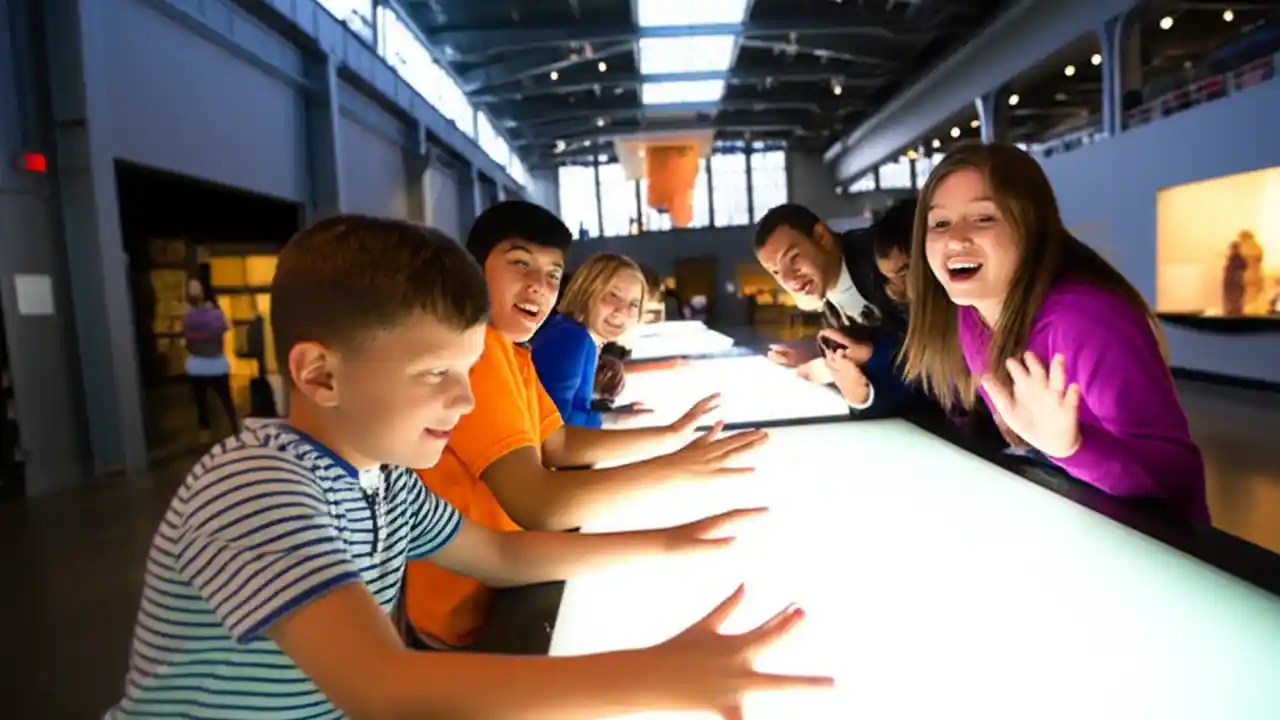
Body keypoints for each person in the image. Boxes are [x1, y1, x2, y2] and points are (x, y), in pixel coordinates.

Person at [107, 215, 829, 719]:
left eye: (465, 369)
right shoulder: (254, 488)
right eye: (435, 374)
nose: (462, 398)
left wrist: (671, 541)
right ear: (321, 375)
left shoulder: (385, 478)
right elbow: (382, 687)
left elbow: (502, 556)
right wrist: (658, 675)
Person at [408, 201, 767, 649]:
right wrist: (675, 469)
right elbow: (538, 502)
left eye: (553, 274)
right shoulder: (479, 352)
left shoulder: (511, 350)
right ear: (473, 270)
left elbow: (556, 440)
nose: (538, 286)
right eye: (520, 264)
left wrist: (668, 437)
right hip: (466, 614)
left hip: (500, 578)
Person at [901, 141, 1209, 523]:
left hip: (1150, 536)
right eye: (940, 223)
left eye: (983, 218)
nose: (955, 239)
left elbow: (1176, 479)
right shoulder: (969, 312)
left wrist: (1074, 448)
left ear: (1030, 226)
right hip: (1067, 512)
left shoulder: (1085, 320)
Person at [753, 200, 927, 419]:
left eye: (793, 258)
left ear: (821, 237)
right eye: (776, 272)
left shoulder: (887, 258)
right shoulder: (829, 300)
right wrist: (823, 361)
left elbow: (934, 350)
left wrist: (869, 362)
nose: (788, 280)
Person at [531, 252, 647, 427]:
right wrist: (612, 419)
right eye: (613, 296)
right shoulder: (572, 338)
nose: (622, 311)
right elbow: (556, 430)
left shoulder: (572, 334)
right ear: (587, 291)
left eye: (634, 304)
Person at [182, 275, 237, 439]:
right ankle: (220, 428)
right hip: (205, 361)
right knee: (209, 400)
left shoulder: (195, 314)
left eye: (195, 287)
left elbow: (188, 336)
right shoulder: (203, 314)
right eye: (191, 287)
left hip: (208, 362)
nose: (194, 291)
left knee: (218, 399)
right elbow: (225, 327)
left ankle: (229, 427)